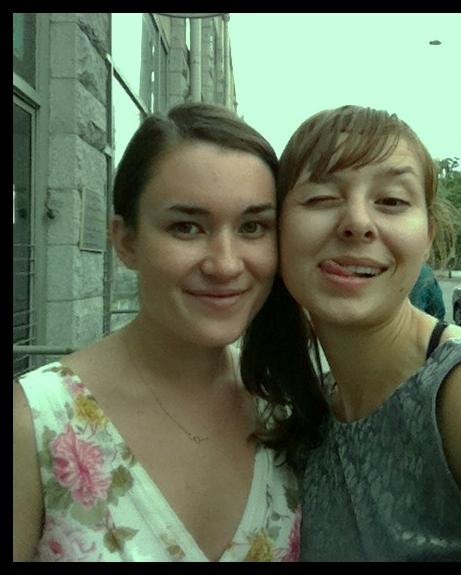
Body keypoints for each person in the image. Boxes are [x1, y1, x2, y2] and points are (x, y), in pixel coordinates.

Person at [13, 103, 301, 562]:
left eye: (252, 227)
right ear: (126, 240)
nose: (225, 264)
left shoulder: (286, 411)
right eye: (187, 227)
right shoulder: (35, 425)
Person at [241, 105, 461, 561]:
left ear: (428, 235)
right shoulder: (306, 415)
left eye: (391, 201)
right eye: (321, 198)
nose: (357, 222)